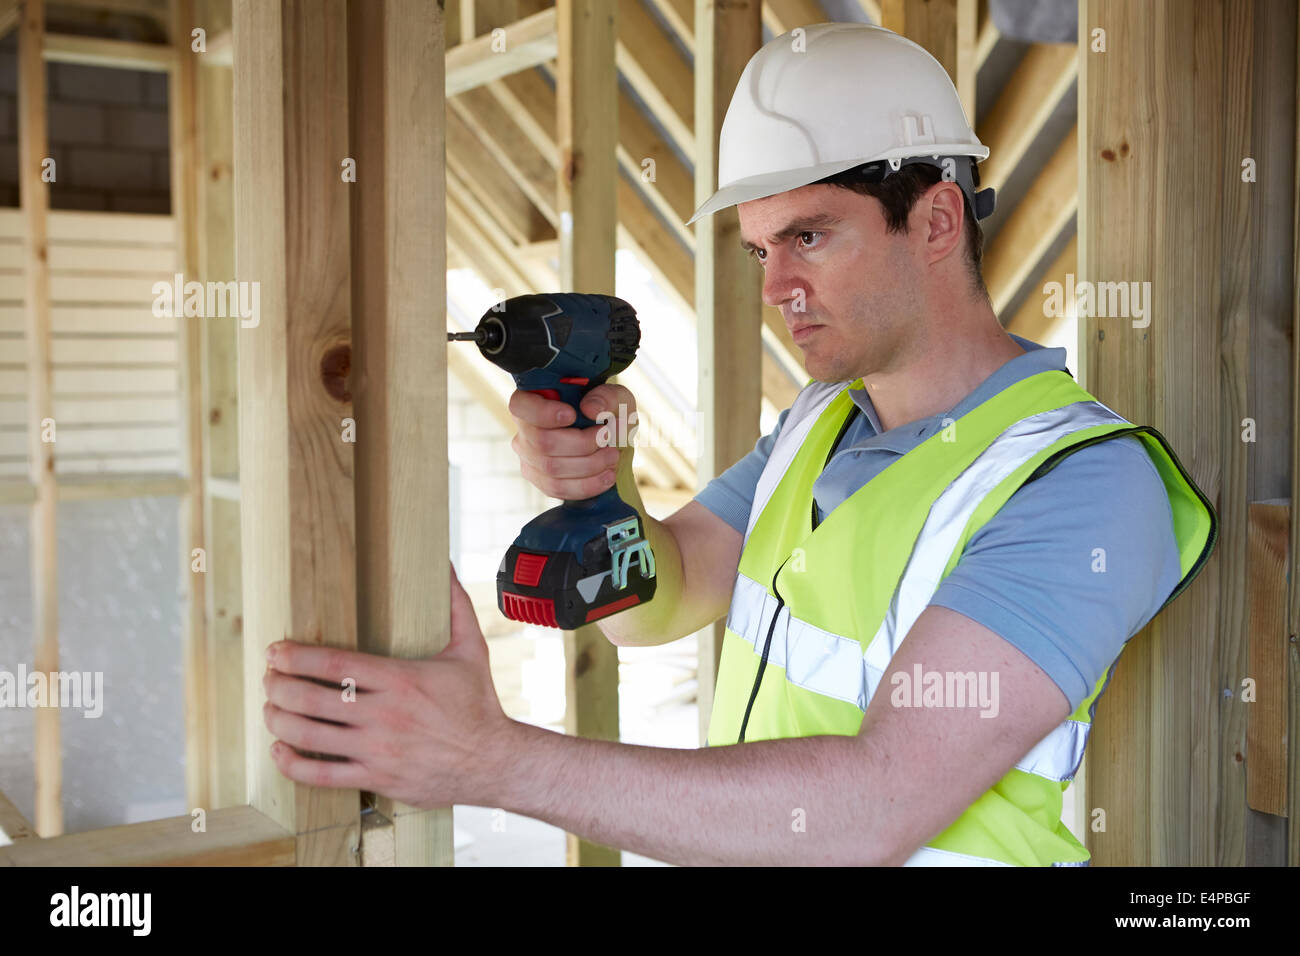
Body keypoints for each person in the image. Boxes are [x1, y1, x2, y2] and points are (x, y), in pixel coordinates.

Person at [262, 22, 1216, 866]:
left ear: (934, 218)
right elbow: (655, 605)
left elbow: (873, 809)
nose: (774, 288)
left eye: (809, 236)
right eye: (762, 249)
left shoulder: (1083, 484)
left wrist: (489, 758)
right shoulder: (820, 422)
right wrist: (605, 482)